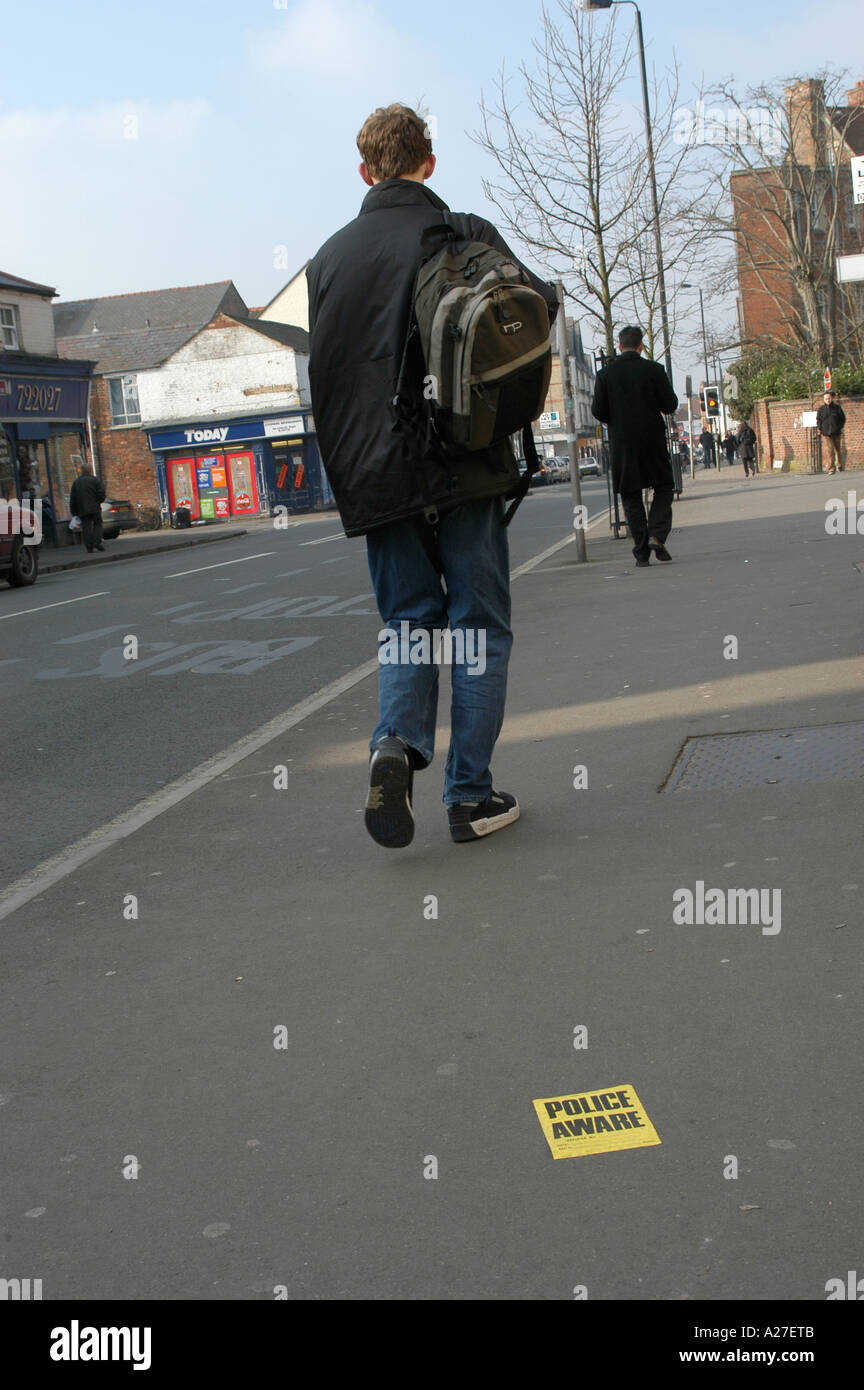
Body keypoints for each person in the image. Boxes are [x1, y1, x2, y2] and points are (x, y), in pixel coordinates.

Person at [306, 104, 558, 849]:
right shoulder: (463, 232)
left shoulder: (327, 260)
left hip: (377, 473)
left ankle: (393, 748)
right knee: (478, 628)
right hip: (464, 458)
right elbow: (538, 306)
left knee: (409, 622)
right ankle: (470, 799)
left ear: (363, 172)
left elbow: (329, 379)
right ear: (430, 163)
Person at [591, 325, 678, 567]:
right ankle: (657, 534)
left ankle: (641, 552)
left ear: (620, 346)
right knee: (663, 485)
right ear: (641, 346)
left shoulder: (605, 375)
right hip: (652, 438)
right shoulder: (654, 370)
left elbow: (598, 410)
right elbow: (670, 405)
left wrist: (617, 419)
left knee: (630, 494)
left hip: (623, 441)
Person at [69, 462, 106, 552]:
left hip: (82, 509)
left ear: (82, 470)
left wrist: (74, 511)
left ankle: (89, 546)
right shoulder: (95, 480)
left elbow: (73, 498)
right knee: (98, 524)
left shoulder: (76, 482)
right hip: (95, 507)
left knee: (86, 527)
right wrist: (99, 501)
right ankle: (97, 541)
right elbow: (101, 493)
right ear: (90, 470)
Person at [816, 391, 846, 474]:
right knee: (829, 450)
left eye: (829, 398)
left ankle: (839, 464)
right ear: (824, 399)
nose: (828, 400)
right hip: (826, 433)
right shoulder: (821, 409)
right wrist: (820, 428)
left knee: (837, 449)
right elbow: (819, 420)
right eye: (826, 399)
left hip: (836, 432)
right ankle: (831, 468)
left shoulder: (837, 408)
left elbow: (842, 418)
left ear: (831, 398)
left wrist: (839, 427)